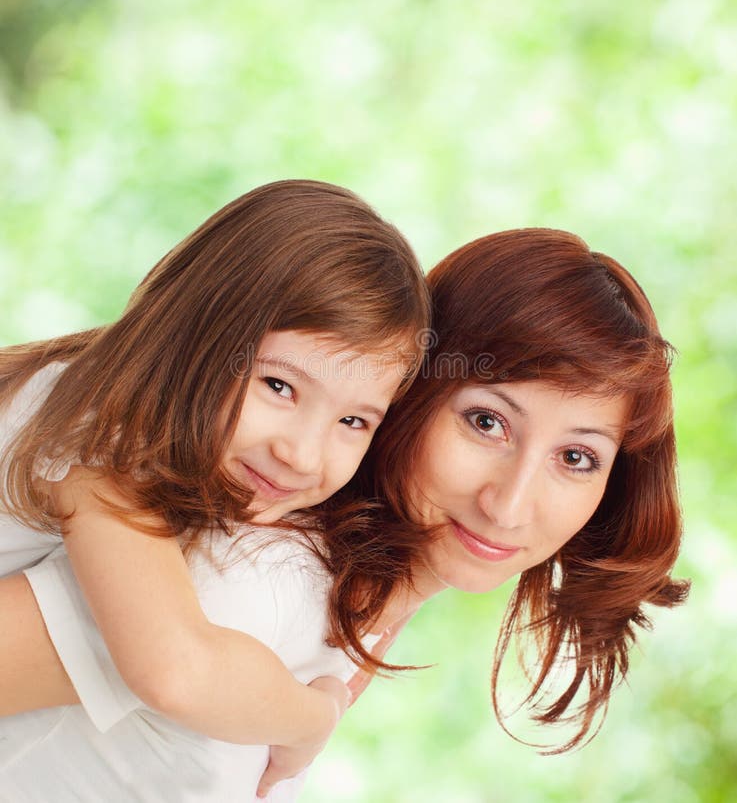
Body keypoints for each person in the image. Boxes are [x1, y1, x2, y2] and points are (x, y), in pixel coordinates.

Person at [0, 228, 689, 800]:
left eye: (576, 458)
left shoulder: (352, 606)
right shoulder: (248, 582)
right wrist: (310, 716)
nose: (508, 505)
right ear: (408, 397)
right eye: (485, 421)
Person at [0, 179, 430, 767]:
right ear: (196, 334)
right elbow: (176, 671)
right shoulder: (104, 436)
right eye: (279, 386)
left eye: (353, 421)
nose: (303, 455)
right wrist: (315, 717)